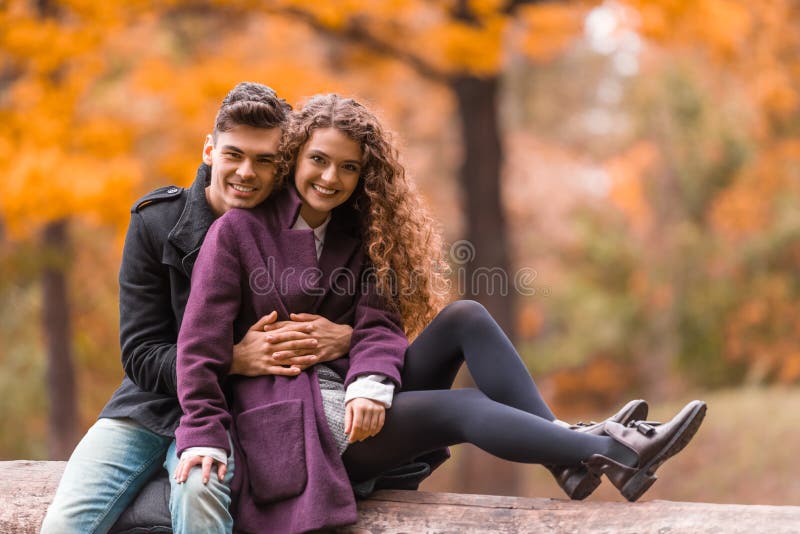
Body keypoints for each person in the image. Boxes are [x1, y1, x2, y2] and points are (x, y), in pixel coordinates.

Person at [173, 94, 707, 534]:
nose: (331, 177)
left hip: (352, 397)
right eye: (319, 160)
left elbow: (380, 325)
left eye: (349, 167)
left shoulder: (360, 234)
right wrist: (202, 433)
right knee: (463, 408)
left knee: (466, 316)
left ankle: (568, 458)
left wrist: (369, 382)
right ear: (294, 157)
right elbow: (198, 349)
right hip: (294, 426)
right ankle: (614, 450)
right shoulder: (238, 233)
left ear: (365, 174)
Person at [40, 83, 357, 534]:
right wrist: (232, 358)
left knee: (200, 489)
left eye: (264, 160)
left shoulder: (299, 225)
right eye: (234, 155)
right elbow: (140, 353)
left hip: (236, 410)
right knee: (65, 521)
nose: (246, 172)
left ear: (282, 166)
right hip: (148, 407)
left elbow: (355, 313)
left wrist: (347, 337)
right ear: (210, 150)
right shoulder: (156, 221)